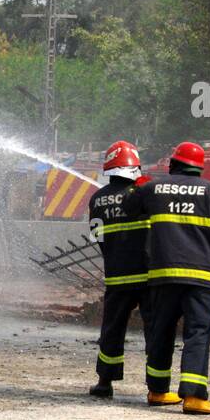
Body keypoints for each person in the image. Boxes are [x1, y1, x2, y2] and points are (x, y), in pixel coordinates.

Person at [125, 141, 210, 415]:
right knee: (197, 334)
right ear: (199, 168)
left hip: (163, 276)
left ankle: (157, 391)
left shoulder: (153, 189)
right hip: (200, 278)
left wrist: (139, 185)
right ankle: (193, 397)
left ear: (173, 164)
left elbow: (130, 208)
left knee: (161, 332)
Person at [87, 141, 153, 399]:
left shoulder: (96, 198)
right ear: (134, 166)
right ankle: (156, 387)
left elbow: (96, 237)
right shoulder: (141, 195)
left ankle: (105, 382)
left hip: (116, 274)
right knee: (154, 329)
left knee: (112, 329)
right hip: (148, 276)